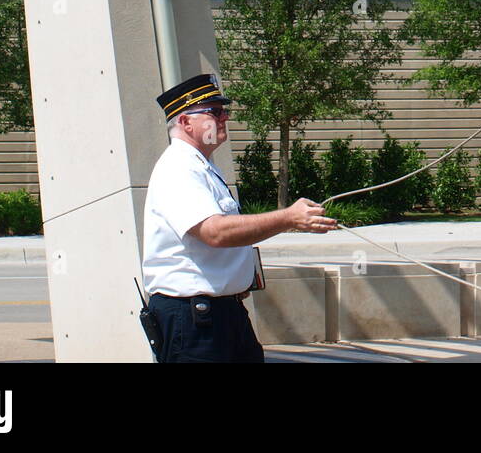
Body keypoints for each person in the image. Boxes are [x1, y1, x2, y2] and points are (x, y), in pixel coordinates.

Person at [141, 73, 335, 363]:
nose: (225, 118)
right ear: (184, 122)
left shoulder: (201, 166)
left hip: (218, 314)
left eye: (224, 111)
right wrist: (288, 218)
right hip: (194, 320)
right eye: (214, 112)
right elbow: (215, 232)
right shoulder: (179, 168)